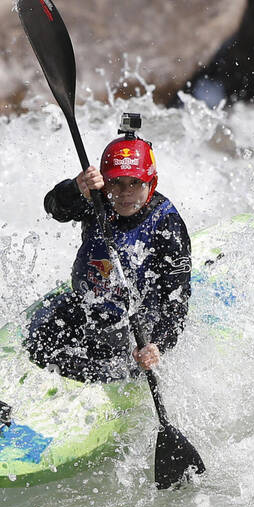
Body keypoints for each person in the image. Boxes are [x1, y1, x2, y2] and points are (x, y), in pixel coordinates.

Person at [26, 120, 192, 383]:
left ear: (152, 183)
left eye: (135, 183)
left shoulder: (166, 223)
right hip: (87, 305)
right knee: (37, 339)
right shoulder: (95, 201)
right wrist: (75, 188)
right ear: (104, 183)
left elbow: (176, 298)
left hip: (133, 325)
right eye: (117, 184)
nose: (125, 194)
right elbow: (54, 208)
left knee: (110, 369)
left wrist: (157, 345)